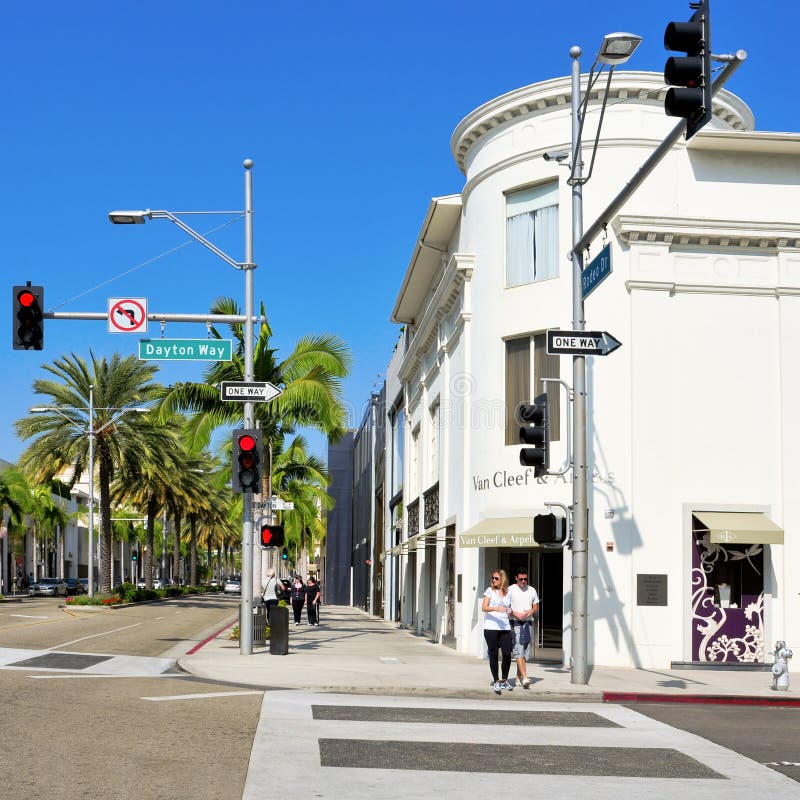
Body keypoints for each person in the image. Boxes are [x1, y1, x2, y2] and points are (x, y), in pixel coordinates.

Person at [507, 566, 539, 688]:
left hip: (528, 623)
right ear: (516, 578)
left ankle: (517, 678)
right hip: (515, 623)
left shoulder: (532, 590)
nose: (523, 581)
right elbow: (506, 607)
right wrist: (516, 613)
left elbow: (536, 607)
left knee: (524, 653)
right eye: (521, 579)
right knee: (518, 650)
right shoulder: (510, 590)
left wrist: (529, 612)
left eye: (525, 579)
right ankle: (525, 677)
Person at [482, 568, 512, 694]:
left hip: (505, 627)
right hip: (491, 627)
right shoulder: (490, 591)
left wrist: (509, 611)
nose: (493, 580)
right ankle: (496, 681)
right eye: (492, 578)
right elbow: (484, 607)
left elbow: (508, 607)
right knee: (493, 654)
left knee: (507, 654)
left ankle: (504, 679)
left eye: (496, 578)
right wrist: (496, 608)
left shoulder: (508, 592)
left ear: (502, 579)